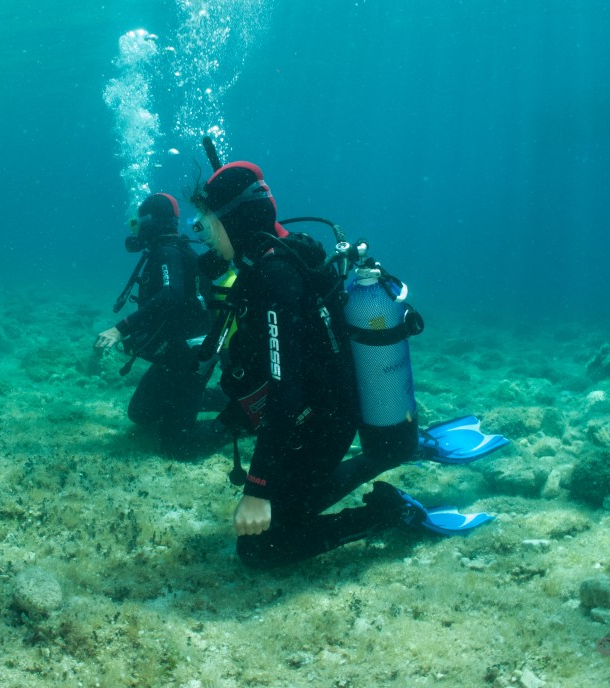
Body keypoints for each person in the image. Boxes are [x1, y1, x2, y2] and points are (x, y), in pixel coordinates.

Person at [190, 161, 495, 568]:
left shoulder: (273, 276)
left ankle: (388, 513)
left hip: (322, 420)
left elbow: (285, 393)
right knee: (286, 507)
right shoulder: (282, 252)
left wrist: (257, 489)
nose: (204, 234)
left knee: (260, 549)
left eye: (208, 224)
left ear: (236, 220)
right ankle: (398, 448)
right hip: (329, 405)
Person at [95, 193, 214, 458]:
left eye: (136, 224)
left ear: (150, 222)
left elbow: (170, 294)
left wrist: (120, 328)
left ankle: (244, 417)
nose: (134, 231)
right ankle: (200, 399)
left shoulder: (167, 252)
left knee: (177, 445)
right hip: (175, 356)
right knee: (140, 414)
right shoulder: (170, 250)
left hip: (192, 358)